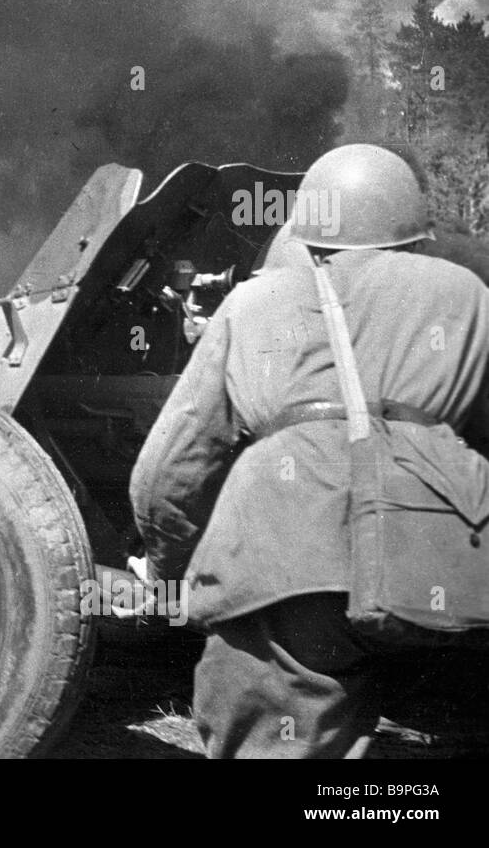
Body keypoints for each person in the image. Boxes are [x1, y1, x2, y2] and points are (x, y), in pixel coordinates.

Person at [129, 144, 489, 758]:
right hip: (442, 565)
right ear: (413, 227)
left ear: (307, 230)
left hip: (288, 570)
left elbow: (172, 468)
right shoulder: (468, 293)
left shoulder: (254, 302)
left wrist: (165, 571)